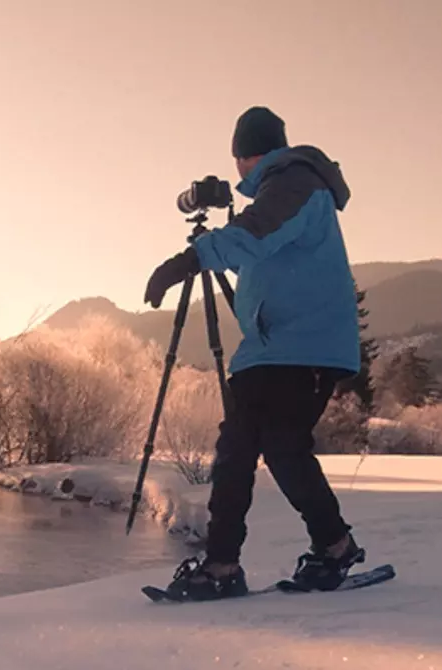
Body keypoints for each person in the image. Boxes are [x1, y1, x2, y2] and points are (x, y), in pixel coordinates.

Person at [142, 106, 365, 601]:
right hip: (272, 348)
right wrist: (217, 249)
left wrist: (189, 259)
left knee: (281, 446)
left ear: (244, 156)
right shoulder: (285, 185)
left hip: (302, 346)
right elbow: (269, 262)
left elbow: (258, 231)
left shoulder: (295, 182)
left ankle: (334, 545)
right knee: (238, 449)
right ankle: (224, 564)